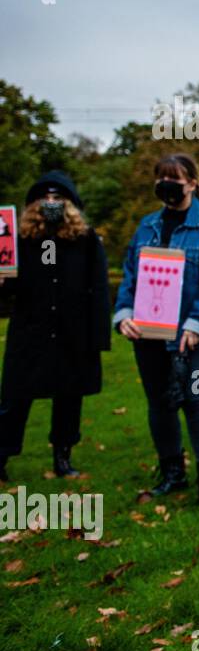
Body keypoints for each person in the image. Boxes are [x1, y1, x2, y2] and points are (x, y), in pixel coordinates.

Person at [115, 155, 199, 505]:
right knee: (160, 403)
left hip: (196, 337)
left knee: (197, 399)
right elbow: (130, 275)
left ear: (193, 184)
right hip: (149, 334)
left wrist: (198, 325)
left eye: (175, 179)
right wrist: (123, 313)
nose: (167, 185)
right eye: (161, 178)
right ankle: (172, 473)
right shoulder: (147, 226)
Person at [0, 172, 111, 481]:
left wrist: (97, 337)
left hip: (72, 334)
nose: (51, 203)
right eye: (45, 198)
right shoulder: (20, 241)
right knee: (14, 398)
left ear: (70, 204)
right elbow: (9, 290)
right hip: (30, 332)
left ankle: (63, 456)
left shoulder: (86, 241)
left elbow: (99, 288)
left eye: (58, 198)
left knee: (68, 397)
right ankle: (2, 454)